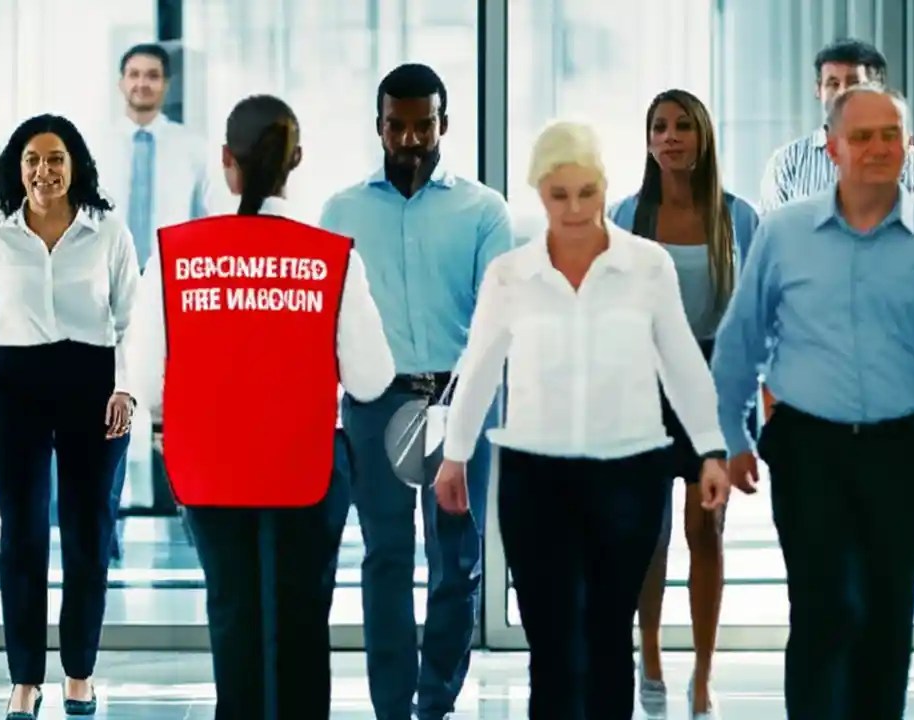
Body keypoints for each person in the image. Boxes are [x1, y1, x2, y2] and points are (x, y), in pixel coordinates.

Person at [712, 84, 914, 720]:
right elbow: (741, 338)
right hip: (807, 446)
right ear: (832, 147)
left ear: (907, 146)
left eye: (891, 135)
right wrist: (733, 439)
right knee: (826, 606)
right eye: (863, 136)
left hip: (905, 451)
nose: (878, 148)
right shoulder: (787, 234)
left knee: (886, 612)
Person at [433, 120, 732, 719]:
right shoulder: (510, 276)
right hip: (533, 477)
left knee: (605, 640)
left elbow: (682, 364)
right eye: (559, 194)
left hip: (629, 473)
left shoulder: (646, 267)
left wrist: (711, 450)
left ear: (604, 187)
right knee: (550, 646)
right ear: (539, 194)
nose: (574, 209)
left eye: (586, 192)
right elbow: (479, 368)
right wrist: (454, 452)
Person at [124, 94, 395, 718]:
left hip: (210, 471)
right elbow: (372, 379)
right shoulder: (331, 257)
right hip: (304, 468)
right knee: (301, 620)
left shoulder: (174, 255)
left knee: (232, 615)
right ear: (295, 160)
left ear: (227, 161)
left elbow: (146, 380)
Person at [318, 62, 513, 720]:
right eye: (397, 126)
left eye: (422, 125)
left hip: (457, 402)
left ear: (443, 126)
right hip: (377, 405)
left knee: (456, 565)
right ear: (379, 127)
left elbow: (495, 318)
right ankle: (392, 708)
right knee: (386, 559)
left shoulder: (485, 210)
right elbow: (327, 320)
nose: (409, 138)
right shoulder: (340, 212)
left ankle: (435, 704)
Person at [0, 113, 138, 719]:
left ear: (74, 166)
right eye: (32, 160)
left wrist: (126, 390)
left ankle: (79, 672)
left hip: (93, 386)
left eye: (55, 159)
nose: (44, 171)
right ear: (16, 170)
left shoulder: (108, 232)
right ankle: (25, 679)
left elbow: (131, 318)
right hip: (15, 387)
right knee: (21, 537)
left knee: (87, 534)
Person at [608, 88, 758, 720]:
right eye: (660, 128)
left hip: (712, 389)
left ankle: (702, 674)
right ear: (647, 141)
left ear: (703, 138)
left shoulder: (739, 217)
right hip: (644, 387)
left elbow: (752, 319)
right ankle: (651, 658)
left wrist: (746, 414)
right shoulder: (625, 215)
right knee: (650, 536)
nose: (671, 138)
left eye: (684, 127)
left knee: (707, 531)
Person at [95, 42, 232, 550]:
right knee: (106, 410)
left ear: (166, 85)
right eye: (134, 74)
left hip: (173, 294)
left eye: (152, 76)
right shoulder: (94, 146)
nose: (142, 84)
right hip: (108, 293)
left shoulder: (193, 148)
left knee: (182, 417)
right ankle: (102, 532)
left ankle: (198, 526)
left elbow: (212, 221)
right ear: (120, 81)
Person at [759, 38, 914, 213]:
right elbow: (772, 238)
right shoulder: (786, 164)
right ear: (818, 89)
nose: (842, 93)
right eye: (833, 84)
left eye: (854, 83)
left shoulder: (912, 164)